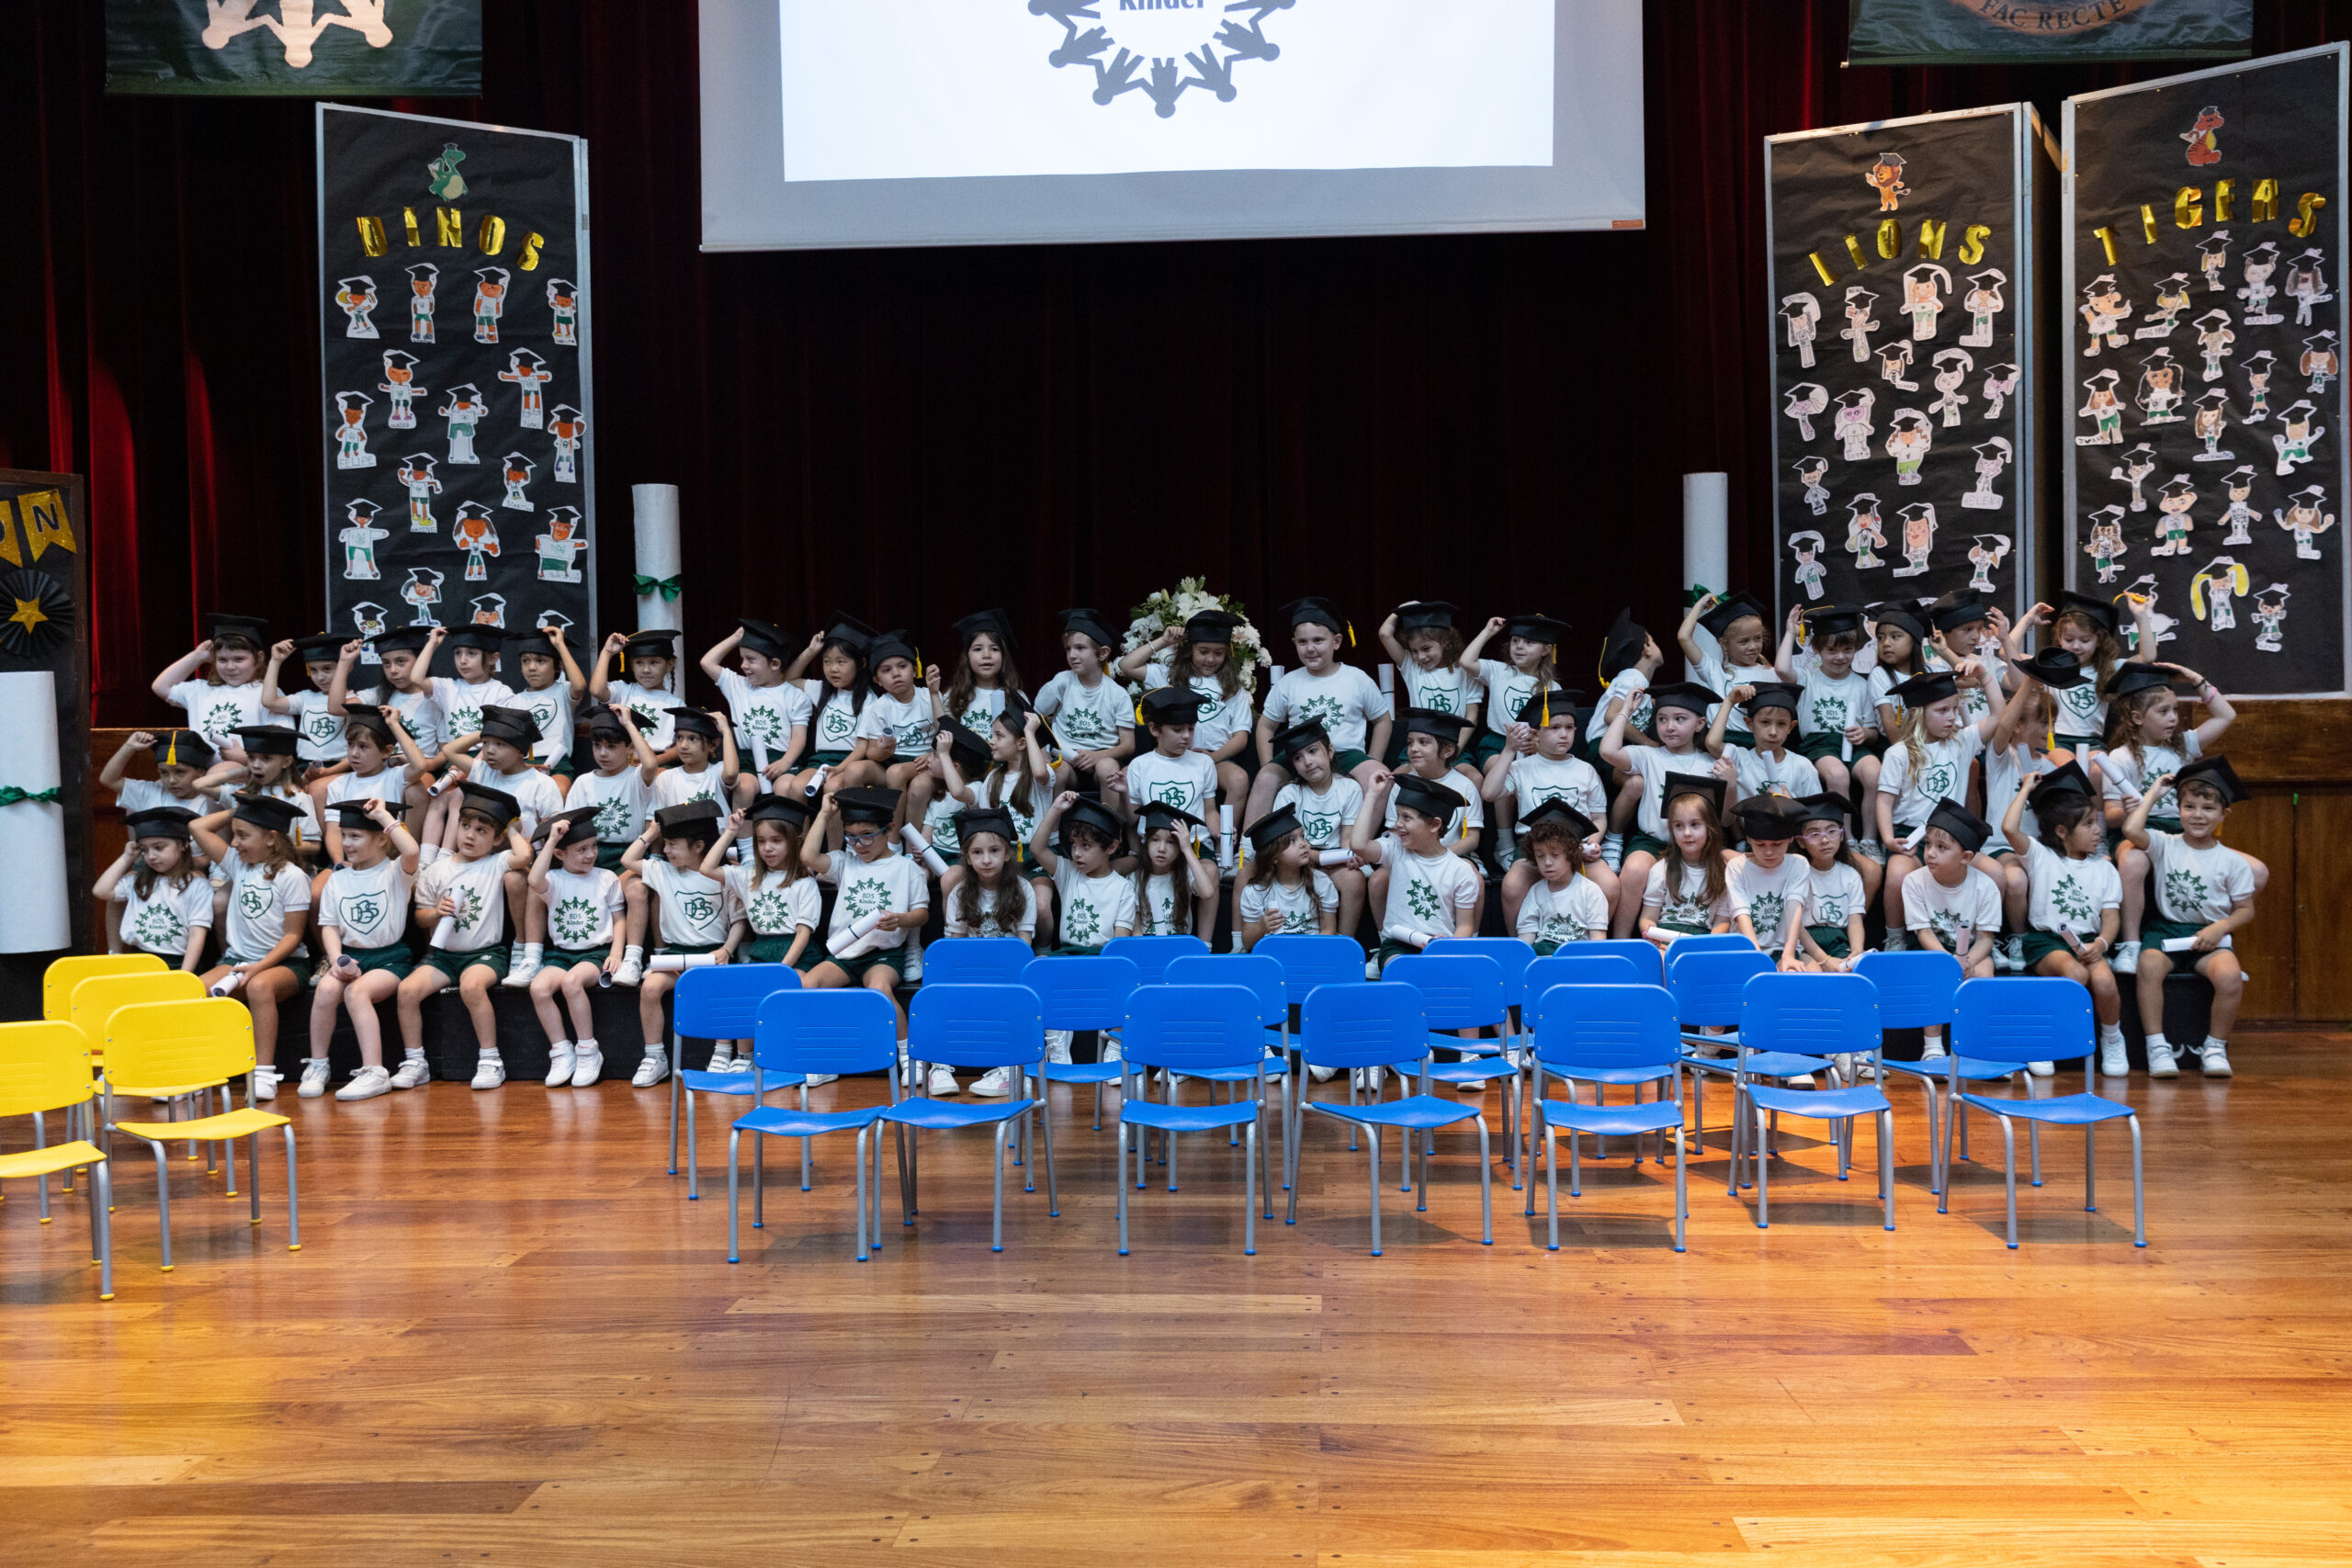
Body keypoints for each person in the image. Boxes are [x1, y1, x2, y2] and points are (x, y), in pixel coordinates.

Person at [2099, 660, 2244, 975]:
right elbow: (2110, 815)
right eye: (2163, 712)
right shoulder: (2120, 757)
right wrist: (2125, 809)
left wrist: (2195, 678)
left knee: (2242, 867)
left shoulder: (2183, 747)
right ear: (2137, 717)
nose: (2173, 719)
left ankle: (2216, 938)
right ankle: (2131, 944)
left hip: (2181, 831)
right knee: (2133, 861)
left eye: (2175, 711)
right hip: (2137, 830)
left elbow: (2226, 715)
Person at [2123, 756, 2255, 1078]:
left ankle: (2214, 1047)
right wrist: (2153, 794)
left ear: (2224, 814)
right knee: (2149, 965)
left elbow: (2246, 909)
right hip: (2167, 931)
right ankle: (2157, 1046)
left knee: (2229, 976)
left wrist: (2220, 927)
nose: (2198, 815)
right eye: (2190, 806)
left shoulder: (2232, 862)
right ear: (2179, 809)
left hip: (2209, 933)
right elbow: (2130, 829)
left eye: (2208, 809)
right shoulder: (2165, 844)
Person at [396, 783, 532, 1091]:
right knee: (406, 991)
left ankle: (489, 1060)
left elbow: (523, 856)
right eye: (465, 826)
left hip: (485, 954)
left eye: (482, 831)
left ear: (496, 840)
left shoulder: (495, 863)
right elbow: (420, 917)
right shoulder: (436, 871)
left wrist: (510, 826)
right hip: (443, 957)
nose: (470, 835)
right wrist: (436, 915)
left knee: (472, 986)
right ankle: (416, 1062)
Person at [1874, 668, 2023, 950]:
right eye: (1942, 710)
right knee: (1896, 875)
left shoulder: (1961, 742)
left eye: (1955, 709)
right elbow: (1883, 800)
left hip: (1954, 836)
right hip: (1911, 836)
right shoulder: (1899, 753)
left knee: (1996, 873)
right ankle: (1894, 938)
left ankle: (1982, 940)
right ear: (1919, 713)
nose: (1952, 717)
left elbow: (1998, 716)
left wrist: (1985, 677)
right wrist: (1887, 838)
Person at [2001, 762, 2125, 1077]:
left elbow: (2111, 917)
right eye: (2088, 824)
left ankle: (2112, 1038)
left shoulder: (2105, 869)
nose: (2098, 830)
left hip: (2090, 943)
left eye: (2096, 822)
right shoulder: (2042, 856)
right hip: (2046, 942)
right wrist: (2027, 788)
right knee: (2074, 974)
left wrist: (2101, 943)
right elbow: (2010, 829)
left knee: (2105, 981)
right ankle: (2043, 1040)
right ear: (2062, 831)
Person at [802, 788, 931, 1083]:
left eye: (868, 835)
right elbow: (808, 856)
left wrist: (900, 919)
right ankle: (824, 1060)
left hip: (883, 953)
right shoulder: (846, 862)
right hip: (844, 953)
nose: (859, 844)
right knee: (808, 985)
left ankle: (909, 1057)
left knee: (880, 990)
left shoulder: (906, 868)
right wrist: (824, 814)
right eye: (852, 837)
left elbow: (922, 914)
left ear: (890, 830)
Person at [190, 794, 312, 1100]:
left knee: (259, 987)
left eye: (243, 835)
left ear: (272, 838)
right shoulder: (238, 865)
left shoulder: (292, 876)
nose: (233, 843)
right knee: (196, 989)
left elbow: (292, 936)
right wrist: (243, 810)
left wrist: (259, 966)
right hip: (238, 959)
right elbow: (197, 827)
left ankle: (263, 1073)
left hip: (285, 964)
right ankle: (198, 1071)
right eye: (233, 834)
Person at [303, 798, 420, 1101]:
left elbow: (412, 850)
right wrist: (336, 960)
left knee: (357, 992)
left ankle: (374, 1072)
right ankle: (318, 1066)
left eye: (355, 836)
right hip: (351, 956)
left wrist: (382, 815)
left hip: (390, 959)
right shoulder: (337, 879)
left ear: (381, 838)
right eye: (343, 835)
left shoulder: (396, 872)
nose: (346, 843)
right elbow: (328, 924)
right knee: (327, 989)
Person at [1600, 680, 1730, 938]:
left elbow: (1725, 820)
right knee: (1635, 869)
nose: (1669, 727)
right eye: (1662, 719)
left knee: (1737, 865)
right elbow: (1607, 751)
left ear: (1700, 724)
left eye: (1680, 719)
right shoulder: (1649, 756)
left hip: (1701, 847)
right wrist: (1626, 709)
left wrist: (1731, 782)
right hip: (1655, 843)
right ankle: (1622, 942)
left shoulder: (1711, 764)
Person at [1247, 597, 1391, 824]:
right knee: (1265, 779)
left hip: (1346, 754)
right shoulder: (1289, 682)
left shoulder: (1357, 679)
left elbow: (1382, 720)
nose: (1310, 648)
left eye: (1318, 640)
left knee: (1381, 779)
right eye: (1302, 642)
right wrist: (1269, 765)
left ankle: (1361, 847)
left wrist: (1372, 758)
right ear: (1294, 642)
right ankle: (1249, 852)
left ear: (1336, 641)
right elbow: (1265, 725)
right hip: (1299, 752)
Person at [624, 802, 736, 1083]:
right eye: (665, 843)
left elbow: (740, 920)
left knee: (723, 988)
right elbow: (628, 861)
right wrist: (651, 833)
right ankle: (654, 1056)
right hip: (676, 957)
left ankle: (723, 1051)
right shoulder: (663, 872)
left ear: (698, 846)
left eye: (673, 844)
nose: (665, 850)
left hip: (712, 956)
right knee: (650, 986)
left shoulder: (723, 876)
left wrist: (727, 949)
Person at [1482, 687, 1612, 931]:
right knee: (1512, 886)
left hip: (1576, 850)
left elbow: (1598, 816)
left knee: (1609, 885)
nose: (1563, 734)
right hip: (1535, 851)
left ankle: (1591, 940)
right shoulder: (1522, 768)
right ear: (1535, 734)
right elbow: (1489, 793)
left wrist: (1592, 842)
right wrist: (1510, 750)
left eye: (1569, 727)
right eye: (1554, 728)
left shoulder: (1585, 770)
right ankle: (1519, 946)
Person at [528, 807, 627, 1089]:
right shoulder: (554, 880)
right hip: (560, 954)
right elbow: (534, 880)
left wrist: (617, 952)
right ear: (560, 854)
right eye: (581, 849)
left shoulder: (606, 877)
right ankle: (561, 1051)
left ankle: (587, 1050)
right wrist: (550, 840)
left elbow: (619, 920)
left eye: (593, 846)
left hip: (594, 954)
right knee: (538, 988)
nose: (590, 854)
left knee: (573, 983)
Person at [1346, 772, 1481, 973]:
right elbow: (1358, 844)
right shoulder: (1396, 850)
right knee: (1401, 970)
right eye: (1398, 815)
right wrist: (1372, 796)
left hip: (1439, 945)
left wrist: (1450, 946)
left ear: (1435, 824)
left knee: (1437, 976)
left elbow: (1465, 926)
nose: (1398, 824)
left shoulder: (1460, 870)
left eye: (1406, 817)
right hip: (1399, 945)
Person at [1902, 800, 2004, 1059]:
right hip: (1932, 948)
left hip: (1969, 951)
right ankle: (1933, 1046)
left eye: (1942, 847)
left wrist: (1968, 961)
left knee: (1984, 970)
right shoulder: (1914, 881)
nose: (1930, 853)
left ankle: (1976, 1043)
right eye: (1928, 845)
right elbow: (1923, 933)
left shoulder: (1985, 886)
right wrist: (1949, 962)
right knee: (1934, 971)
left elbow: (1985, 939)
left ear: (1966, 857)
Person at [1268, 721, 1366, 950]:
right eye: (1298, 758)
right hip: (1295, 862)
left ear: (1330, 751)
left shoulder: (1349, 789)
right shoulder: (1289, 793)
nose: (1307, 762)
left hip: (1334, 862)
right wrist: (1316, 858)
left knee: (1354, 879)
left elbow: (1347, 839)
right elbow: (1281, 844)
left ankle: (1344, 947)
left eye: (1313, 751)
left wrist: (1349, 856)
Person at [1774, 603, 1881, 808]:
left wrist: (1865, 734)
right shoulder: (1807, 678)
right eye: (1831, 650)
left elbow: (1873, 731)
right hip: (1819, 745)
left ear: (1856, 648)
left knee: (1874, 774)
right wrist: (1790, 633)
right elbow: (1781, 669)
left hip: (1852, 745)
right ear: (1816, 649)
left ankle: (1869, 838)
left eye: (1847, 650)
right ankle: (1846, 837)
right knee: (1838, 775)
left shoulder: (1862, 685)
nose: (1840, 657)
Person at [701, 617, 810, 807]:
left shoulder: (795, 696)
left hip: (782, 759)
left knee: (785, 788)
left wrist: (784, 763)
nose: (743, 665)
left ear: (775, 664)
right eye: (742, 658)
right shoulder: (738, 686)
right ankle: (743, 838)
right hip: (747, 760)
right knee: (744, 788)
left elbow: (799, 737)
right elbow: (707, 662)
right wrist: (736, 637)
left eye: (751, 660)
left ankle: (792, 836)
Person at [1034, 608, 1136, 808]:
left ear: (1102, 653)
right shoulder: (1062, 682)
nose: (1072, 655)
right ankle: (1053, 833)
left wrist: (1097, 756)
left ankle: (1108, 829)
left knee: (1108, 768)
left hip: (1101, 762)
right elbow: (1037, 717)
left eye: (1080, 648)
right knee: (1058, 771)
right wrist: (1045, 750)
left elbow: (1128, 745)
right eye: (1068, 649)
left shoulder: (1117, 694)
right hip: (1067, 761)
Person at [1589, 608, 1665, 870]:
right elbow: (1612, 716)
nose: (1657, 647)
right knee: (1637, 783)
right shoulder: (1633, 677)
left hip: (1621, 749)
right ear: (1646, 649)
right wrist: (1648, 743)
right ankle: (1613, 840)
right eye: (1653, 641)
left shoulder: (1637, 682)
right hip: (1601, 748)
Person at [95, 806, 211, 972]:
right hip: (139, 961)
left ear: (184, 845)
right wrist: (127, 857)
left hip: (177, 964)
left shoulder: (197, 885)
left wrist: (184, 975)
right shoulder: (137, 880)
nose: (151, 856)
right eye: (144, 850)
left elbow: (196, 935)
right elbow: (101, 891)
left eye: (159, 847)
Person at [1636, 776, 1740, 949]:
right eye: (1678, 826)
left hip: (1703, 941)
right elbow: (1647, 917)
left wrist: (1707, 945)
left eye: (1695, 825)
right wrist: (1650, 932)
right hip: (1665, 938)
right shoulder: (1662, 869)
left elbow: (1722, 922)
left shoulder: (1723, 871)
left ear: (1710, 827)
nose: (1686, 833)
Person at [786, 615, 877, 807]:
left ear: (861, 664)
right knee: (796, 787)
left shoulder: (869, 700)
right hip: (820, 760)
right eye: (827, 662)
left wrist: (839, 769)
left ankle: (837, 839)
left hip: (849, 761)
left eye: (841, 662)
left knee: (832, 790)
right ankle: (803, 837)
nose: (833, 669)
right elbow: (790, 679)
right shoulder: (821, 691)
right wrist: (811, 651)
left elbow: (862, 747)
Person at [1374, 602, 1475, 770]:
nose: (1420, 657)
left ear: (1446, 643)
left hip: (1452, 745)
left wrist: (1455, 751)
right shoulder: (1412, 669)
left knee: (1475, 778)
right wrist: (1402, 609)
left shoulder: (1465, 671)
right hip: (1417, 746)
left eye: (1426, 648)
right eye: (1414, 651)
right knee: (1392, 782)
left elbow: (1472, 716)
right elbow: (1385, 634)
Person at [153, 612, 270, 753]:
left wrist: (245, 759)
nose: (230, 667)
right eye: (222, 660)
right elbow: (160, 686)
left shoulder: (267, 693)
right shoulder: (200, 690)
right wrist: (198, 656)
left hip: (246, 771)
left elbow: (278, 742)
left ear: (259, 659)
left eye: (239, 659)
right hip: (200, 769)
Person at [856, 630, 940, 829]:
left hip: (923, 761)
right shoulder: (879, 706)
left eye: (902, 666)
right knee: (856, 770)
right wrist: (883, 750)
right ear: (876, 680)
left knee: (896, 772)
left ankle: (894, 839)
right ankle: (855, 831)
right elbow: (871, 753)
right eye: (886, 670)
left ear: (914, 670)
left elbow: (947, 731)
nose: (896, 674)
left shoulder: (928, 697)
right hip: (891, 759)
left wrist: (933, 753)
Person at [1235, 805, 1341, 948]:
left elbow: (1328, 930)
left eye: (1302, 836)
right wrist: (1261, 927)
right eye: (1292, 841)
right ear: (1273, 856)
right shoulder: (1255, 891)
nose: (1303, 844)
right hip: (1273, 958)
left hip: (1312, 955)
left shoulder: (1321, 882)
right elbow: (1247, 943)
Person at [1511, 802, 1611, 953]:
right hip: (1544, 956)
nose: (1547, 863)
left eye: (1555, 855)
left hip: (1577, 954)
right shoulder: (1536, 892)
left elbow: (1597, 938)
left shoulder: (1591, 892)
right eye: (1540, 856)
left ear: (1571, 854)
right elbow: (1526, 936)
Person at [1681, 592, 1776, 747]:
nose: (1753, 647)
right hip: (1720, 744)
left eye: (1757, 638)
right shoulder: (1714, 671)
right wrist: (1699, 605)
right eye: (1744, 641)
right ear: (1724, 644)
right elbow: (1684, 637)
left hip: (1759, 745)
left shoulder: (1771, 674)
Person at [1792, 794, 1873, 972]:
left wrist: (1857, 951)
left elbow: (1854, 920)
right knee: (1814, 973)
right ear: (1801, 841)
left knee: (1857, 971)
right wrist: (1825, 959)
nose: (1825, 840)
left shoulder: (1850, 875)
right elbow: (1794, 924)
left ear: (1842, 835)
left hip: (1837, 939)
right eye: (1814, 834)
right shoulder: (1796, 873)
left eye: (1832, 831)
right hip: (1804, 941)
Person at [1705, 682, 1820, 807]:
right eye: (1765, 722)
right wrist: (1729, 701)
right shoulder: (1740, 758)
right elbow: (1712, 743)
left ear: (1791, 727)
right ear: (1749, 723)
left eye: (1781, 724)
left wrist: (1791, 807)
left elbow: (1816, 813)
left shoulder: (1802, 767)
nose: (1773, 732)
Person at [1728, 796, 1811, 969]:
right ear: (1749, 840)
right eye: (1760, 844)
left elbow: (1794, 906)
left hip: (1782, 948)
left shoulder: (1798, 864)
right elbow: (1741, 913)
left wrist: (1788, 954)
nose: (1768, 852)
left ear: (1790, 839)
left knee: (1794, 977)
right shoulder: (1737, 867)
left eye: (1776, 844)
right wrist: (1757, 956)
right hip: (1746, 948)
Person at [259, 633, 356, 773]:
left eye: (327, 669)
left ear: (348, 666)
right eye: (313, 670)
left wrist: (330, 771)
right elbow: (269, 701)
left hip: (338, 768)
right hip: (303, 766)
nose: (320, 677)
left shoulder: (355, 700)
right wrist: (275, 661)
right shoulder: (306, 698)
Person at [1125, 801, 1217, 940]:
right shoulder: (1135, 878)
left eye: (1171, 842)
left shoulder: (1185, 874)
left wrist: (1187, 849)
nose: (1161, 848)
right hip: (1148, 941)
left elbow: (1207, 892)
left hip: (1180, 941)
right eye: (1155, 840)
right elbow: (1135, 921)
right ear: (1146, 842)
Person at [590, 627, 685, 753]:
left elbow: (679, 746)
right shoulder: (623, 690)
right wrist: (606, 653)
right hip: (624, 761)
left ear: (670, 664)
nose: (646, 670)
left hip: (660, 763)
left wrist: (653, 763)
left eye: (654, 663)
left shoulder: (676, 704)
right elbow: (596, 691)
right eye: (639, 663)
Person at [501, 625, 579, 775]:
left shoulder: (563, 691)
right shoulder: (515, 701)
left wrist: (560, 645)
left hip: (557, 763)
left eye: (540, 661)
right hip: (523, 764)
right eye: (525, 661)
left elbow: (580, 685)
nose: (531, 667)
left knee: (559, 791)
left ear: (558, 666)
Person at [935, 608, 1024, 736]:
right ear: (967, 657)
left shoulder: (1016, 698)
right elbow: (945, 734)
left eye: (994, 649)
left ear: (1004, 656)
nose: (986, 655)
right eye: (977, 649)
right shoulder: (954, 695)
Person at [422, 625, 514, 744]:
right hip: (454, 759)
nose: (463, 660)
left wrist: (474, 763)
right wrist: (432, 644)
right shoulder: (448, 688)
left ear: (493, 658)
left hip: (486, 758)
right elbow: (416, 679)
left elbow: (499, 735)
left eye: (471, 653)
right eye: (458, 653)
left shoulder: (501, 692)